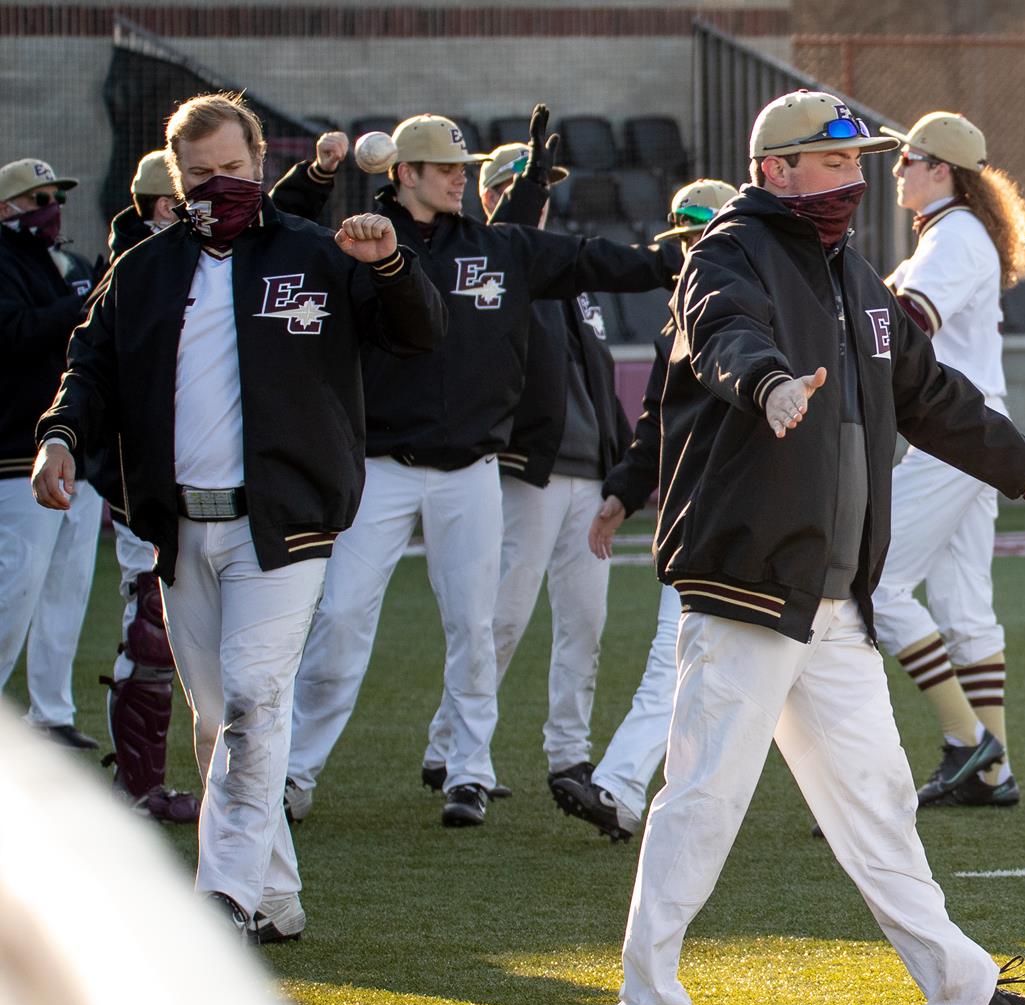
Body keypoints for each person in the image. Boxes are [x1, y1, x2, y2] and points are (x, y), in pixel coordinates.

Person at [608, 90, 1025, 1005]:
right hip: (749, 587)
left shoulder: (857, 278)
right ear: (777, 169)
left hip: (831, 603)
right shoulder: (728, 252)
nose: (855, 179)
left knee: (879, 803)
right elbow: (722, 333)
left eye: (858, 163)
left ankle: (962, 1001)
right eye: (834, 163)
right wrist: (768, 384)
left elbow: (936, 398)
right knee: (702, 801)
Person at [31, 92, 446, 941]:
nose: (216, 185)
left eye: (231, 167)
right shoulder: (143, 269)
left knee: (255, 698)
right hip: (179, 528)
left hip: (285, 525)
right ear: (176, 179)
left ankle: (220, 899)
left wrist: (392, 265)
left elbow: (420, 335)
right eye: (199, 175)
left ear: (259, 162)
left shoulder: (317, 251)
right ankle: (276, 898)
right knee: (219, 719)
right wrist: (61, 435)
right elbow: (90, 363)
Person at [281, 107, 672, 829]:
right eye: (446, 169)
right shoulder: (363, 243)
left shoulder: (499, 247)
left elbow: (595, 259)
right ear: (405, 173)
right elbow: (285, 239)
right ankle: (294, 773)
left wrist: (678, 258)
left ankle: (468, 772)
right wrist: (317, 175)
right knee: (341, 619)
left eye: (464, 169)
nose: (459, 180)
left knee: (474, 626)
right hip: (382, 465)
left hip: (471, 470)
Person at [414, 141, 634, 818]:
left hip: (588, 475)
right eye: (517, 185)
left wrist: (620, 463)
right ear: (489, 196)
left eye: (543, 184)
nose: (541, 197)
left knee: (586, 622)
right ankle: (450, 750)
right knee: (500, 619)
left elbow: (596, 378)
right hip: (526, 473)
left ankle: (569, 753)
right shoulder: (487, 269)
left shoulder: (565, 274)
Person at [560, 178, 734, 842]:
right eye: (684, 238)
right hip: (700, 514)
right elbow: (658, 424)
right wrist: (624, 494)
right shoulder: (679, 321)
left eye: (703, 235)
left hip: (751, 513)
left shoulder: (755, 308)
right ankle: (621, 787)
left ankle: (623, 786)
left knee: (809, 672)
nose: (692, 249)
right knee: (692, 659)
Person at [871, 111, 1025, 807]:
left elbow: (908, 326)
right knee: (963, 606)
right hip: (971, 428)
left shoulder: (955, 234)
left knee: (875, 583)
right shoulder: (953, 231)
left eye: (907, 159)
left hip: (955, 431)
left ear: (940, 169)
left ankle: (968, 742)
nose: (896, 169)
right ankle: (993, 775)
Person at [94, 148, 205, 824]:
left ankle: (233, 785)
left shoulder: (196, 265)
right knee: (150, 630)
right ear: (168, 206)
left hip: (203, 481)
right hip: (148, 485)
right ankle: (138, 786)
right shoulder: (134, 273)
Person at [0, 156, 102, 754]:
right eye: (38, 199)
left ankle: (51, 713)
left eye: (55, 198)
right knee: (14, 588)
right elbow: (12, 334)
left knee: (67, 588)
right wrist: (80, 304)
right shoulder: (6, 260)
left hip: (76, 452)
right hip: (18, 452)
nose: (51, 209)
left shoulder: (66, 262)